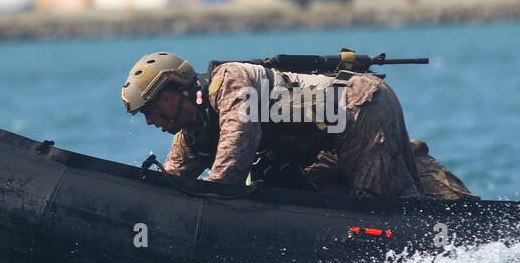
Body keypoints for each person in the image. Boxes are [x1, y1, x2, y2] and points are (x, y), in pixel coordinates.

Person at [121, 51, 475, 199]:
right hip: (322, 143)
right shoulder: (193, 135)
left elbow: (230, 168)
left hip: (359, 107)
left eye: (152, 108)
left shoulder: (229, 81)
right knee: (309, 192)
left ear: (175, 91)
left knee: (382, 208)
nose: (150, 120)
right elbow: (168, 184)